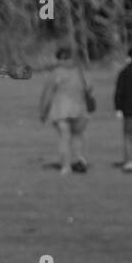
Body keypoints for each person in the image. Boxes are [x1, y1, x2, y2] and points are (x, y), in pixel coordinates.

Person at [38, 46, 92, 175]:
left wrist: (43, 112)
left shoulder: (55, 73)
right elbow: (89, 88)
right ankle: (79, 160)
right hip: (80, 109)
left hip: (61, 110)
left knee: (64, 138)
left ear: (59, 59)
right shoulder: (79, 71)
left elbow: (47, 95)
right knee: (78, 137)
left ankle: (66, 167)